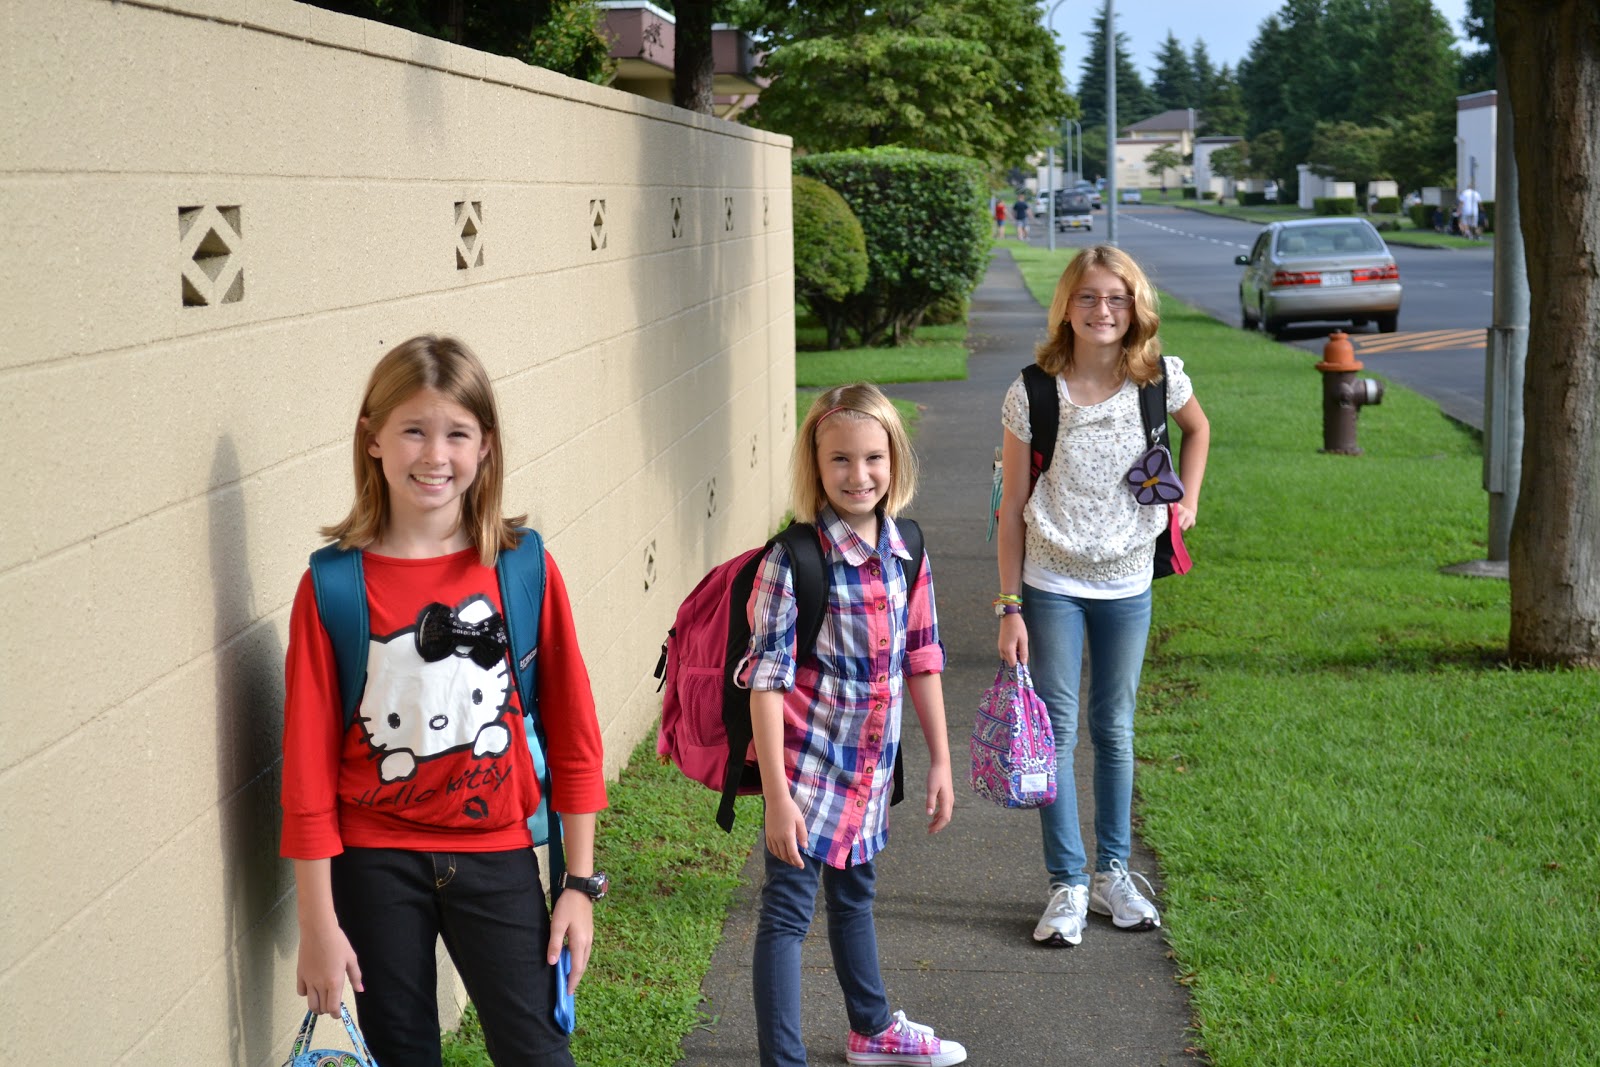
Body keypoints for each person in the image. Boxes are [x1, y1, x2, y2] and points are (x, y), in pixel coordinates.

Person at [280, 335, 608, 1066]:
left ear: (485, 445)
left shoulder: (522, 567)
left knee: (538, 1051)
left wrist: (578, 884)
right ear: (372, 438)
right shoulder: (333, 587)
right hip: (374, 863)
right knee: (402, 1052)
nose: (435, 454)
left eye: (457, 433)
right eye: (413, 430)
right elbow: (305, 770)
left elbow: (575, 734)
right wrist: (317, 922)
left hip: (496, 854)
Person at [739, 384, 965, 1067]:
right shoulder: (793, 560)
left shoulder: (907, 549)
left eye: (873, 458)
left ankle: (871, 1029)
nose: (858, 474)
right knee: (787, 911)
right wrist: (777, 795)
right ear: (816, 463)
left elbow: (922, 657)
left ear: (895, 461)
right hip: (805, 772)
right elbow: (766, 682)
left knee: (855, 896)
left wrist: (941, 759)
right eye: (840, 458)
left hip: (868, 771)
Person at [994, 245, 1210, 948]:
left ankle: (1114, 872)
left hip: (1127, 580)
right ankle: (1068, 883)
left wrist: (1188, 501)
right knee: (1056, 730)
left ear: (1135, 307)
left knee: (1114, 727)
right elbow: (1010, 508)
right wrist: (1009, 607)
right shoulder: (1032, 392)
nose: (1103, 310)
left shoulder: (1158, 379)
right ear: (1067, 306)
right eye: (1088, 297)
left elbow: (1199, 429)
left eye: (1117, 297)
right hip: (1052, 581)